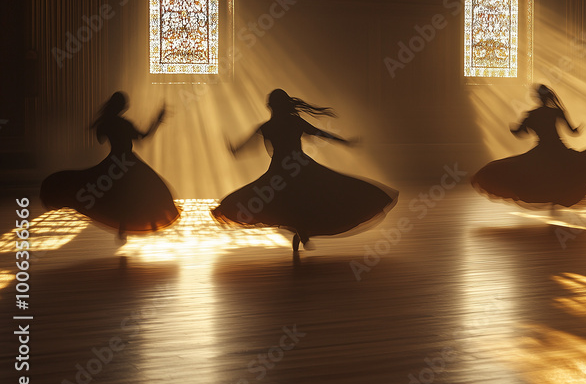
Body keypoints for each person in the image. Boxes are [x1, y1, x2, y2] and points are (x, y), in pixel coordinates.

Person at [212, 89, 397, 260]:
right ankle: (302, 232)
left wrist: (234, 150)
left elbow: (247, 146)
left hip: (281, 171)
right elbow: (321, 134)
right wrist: (345, 142)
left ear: (272, 106)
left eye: (271, 105)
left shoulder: (269, 126)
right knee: (307, 199)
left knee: (290, 202)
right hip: (298, 166)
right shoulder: (291, 122)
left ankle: (302, 232)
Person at [40, 91, 179, 242]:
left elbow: (100, 138)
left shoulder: (107, 123)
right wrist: (157, 120)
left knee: (115, 194)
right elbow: (143, 137)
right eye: (124, 105)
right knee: (145, 192)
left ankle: (124, 227)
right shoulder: (123, 123)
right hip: (127, 162)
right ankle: (131, 226)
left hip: (115, 162)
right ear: (121, 106)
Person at [471, 84, 586, 208]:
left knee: (532, 174)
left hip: (543, 151)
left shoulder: (532, 115)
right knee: (568, 173)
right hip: (559, 150)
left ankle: (552, 196)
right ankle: (558, 196)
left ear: (536, 98)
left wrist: (514, 128)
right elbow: (573, 131)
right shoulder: (556, 112)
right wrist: (577, 129)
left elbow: (519, 133)